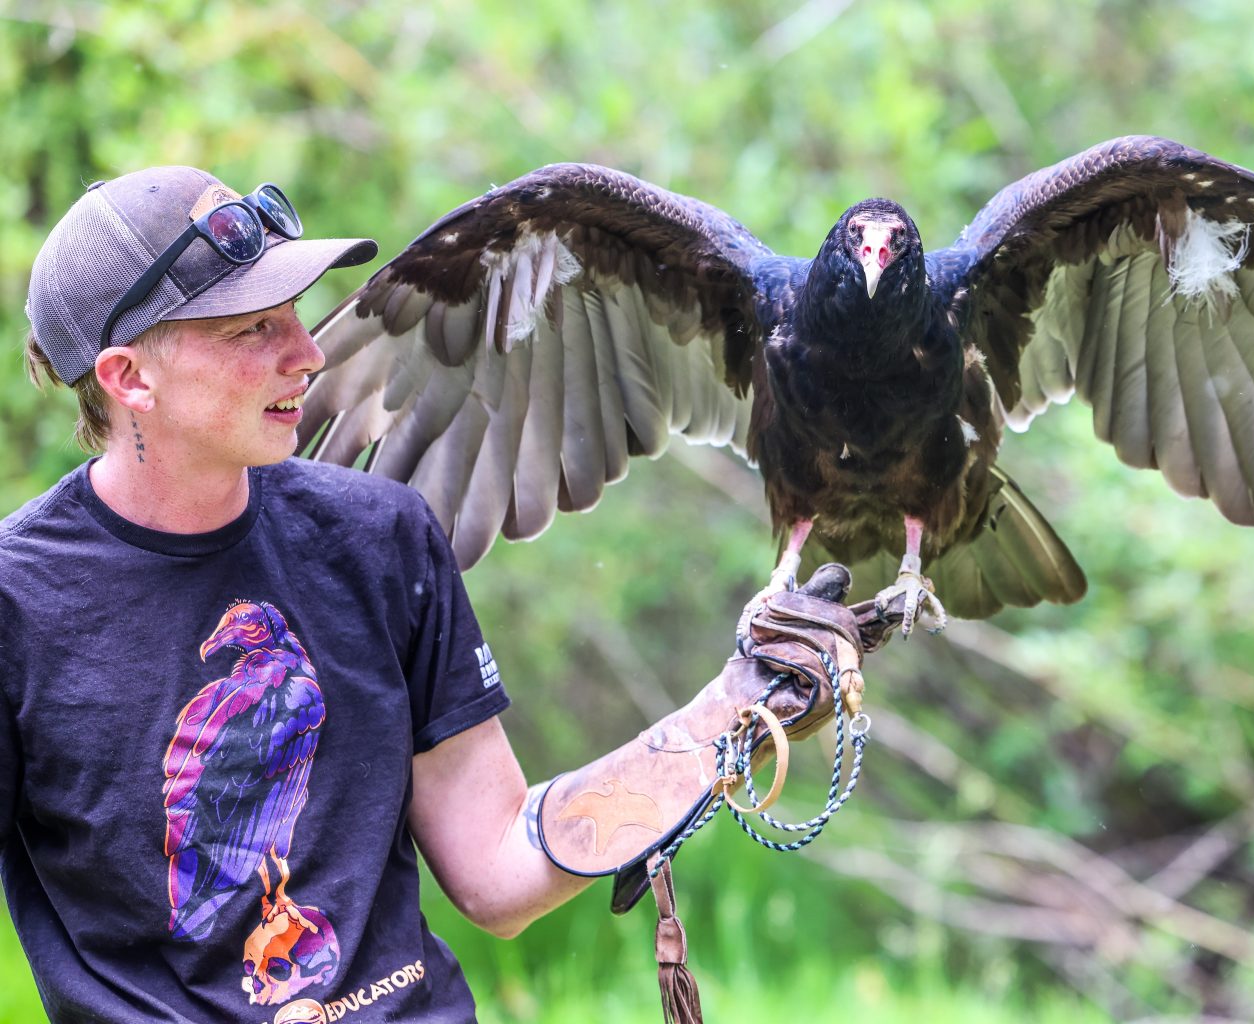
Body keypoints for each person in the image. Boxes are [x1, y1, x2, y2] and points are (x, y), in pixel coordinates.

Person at [2, 166, 871, 1023]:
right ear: (128, 379)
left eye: (296, 315)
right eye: (253, 330)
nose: (304, 353)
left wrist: (729, 717)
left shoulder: (377, 538)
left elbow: (496, 868)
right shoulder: (20, 607)